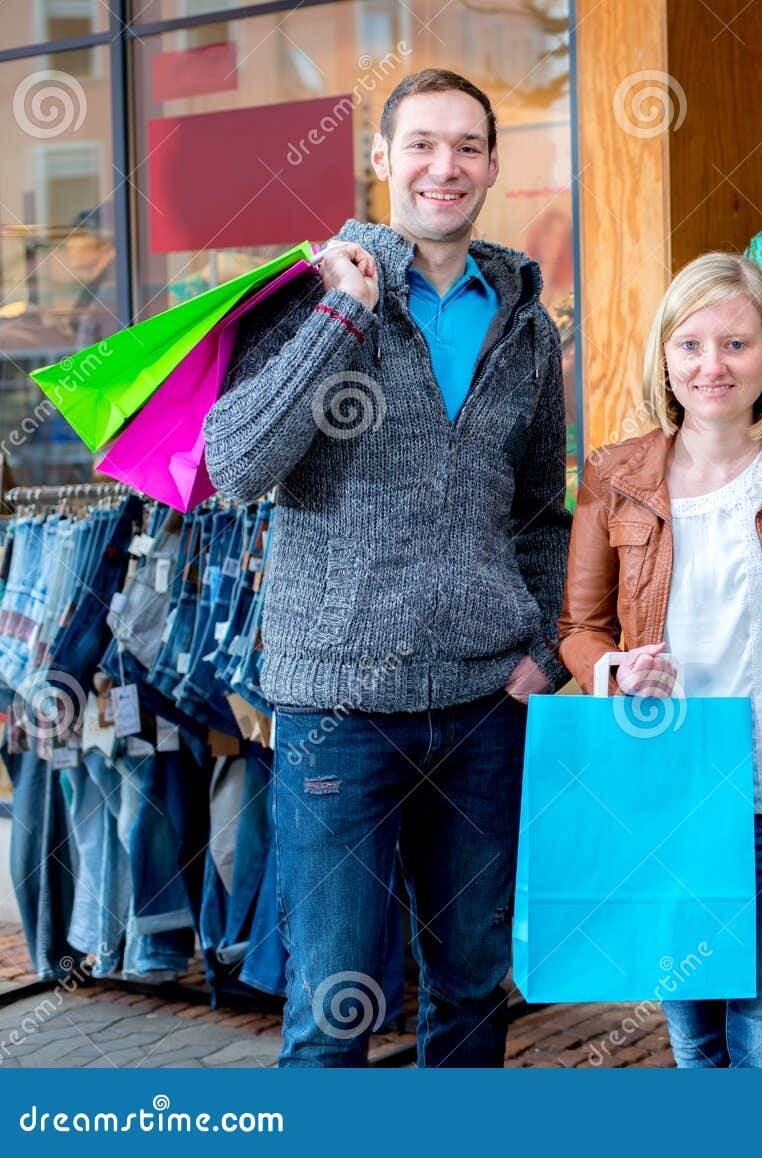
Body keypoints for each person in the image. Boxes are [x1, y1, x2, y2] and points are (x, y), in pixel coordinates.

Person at [203, 69, 571, 1067]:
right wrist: (339, 320)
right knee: (333, 1012)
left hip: (484, 711)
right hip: (339, 717)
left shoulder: (529, 330)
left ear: (492, 165)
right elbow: (236, 467)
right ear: (380, 160)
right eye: (420, 144)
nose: (442, 167)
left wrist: (541, 649)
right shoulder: (308, 295)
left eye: (465, 147)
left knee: (468, 994)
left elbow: (543, 514)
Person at [558, 252, 762, 1068]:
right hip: (662, 796)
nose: (713, 366)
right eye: (692, 344)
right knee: (695, 1042)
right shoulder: (613, 475)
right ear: (664, 356)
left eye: (737, 344)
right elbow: (577, 625)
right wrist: (612, 672)